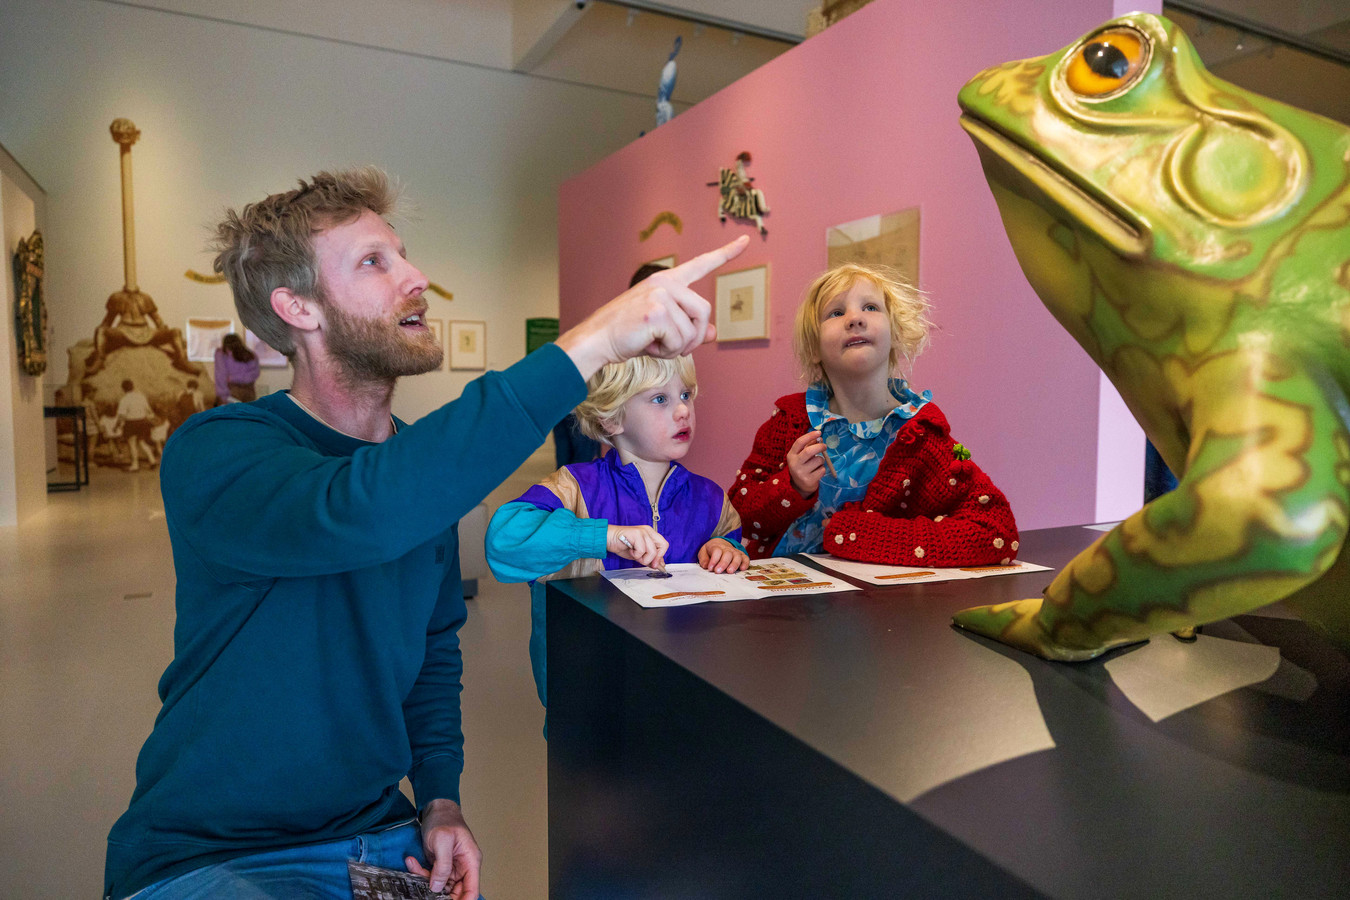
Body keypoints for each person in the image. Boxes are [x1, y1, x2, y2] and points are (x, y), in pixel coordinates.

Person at [102, 166, 748, 900]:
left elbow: (433, 648)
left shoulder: (419, 473)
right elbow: (357, 510)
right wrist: (593, 344)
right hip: (211, 852)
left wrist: (441, 799)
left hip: (379, 834)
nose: (417, 277)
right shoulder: (216, 452)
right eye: (376, 262)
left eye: (404, 254)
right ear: (299, 307)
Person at [486, 353, 749, 707]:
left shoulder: (711, 498)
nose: (684, 410)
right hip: (587, 694)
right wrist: (604, 537)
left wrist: (727, 549)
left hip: (683, 689)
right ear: (611, 419)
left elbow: (731, 538)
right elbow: (505, 541)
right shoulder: (574, 487)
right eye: (660, 399)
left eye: (686, 395)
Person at [730, 263, 1017, 566]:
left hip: (879, 606)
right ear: (814, 347)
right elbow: (736, 516)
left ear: (896, 334)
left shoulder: (922, 436)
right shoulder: (788, 420)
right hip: (781, 602)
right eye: (836, 313)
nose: (855, 319)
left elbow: (997, 531)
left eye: (870, 307)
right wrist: (792, 486)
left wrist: (857, 534)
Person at [115, 378, 158, 471]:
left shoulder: (124, 399)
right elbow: (149, 410)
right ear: (133, 386)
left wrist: (116, 426)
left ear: (123, 389)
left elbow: (121, 415)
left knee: (132, 444)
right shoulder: (141, 396)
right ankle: (152, 460)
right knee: (142, 442)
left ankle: (135, 465)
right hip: (142, 422)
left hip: (131, 423)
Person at [214, 332, 261, 403]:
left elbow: (220, 375)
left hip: (231, 391)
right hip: (249, 390)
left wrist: (223, 395)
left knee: (233, 413)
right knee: (248, 413)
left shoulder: (221, 354)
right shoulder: (250, 355)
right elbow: (255, 373)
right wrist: (240, 378)